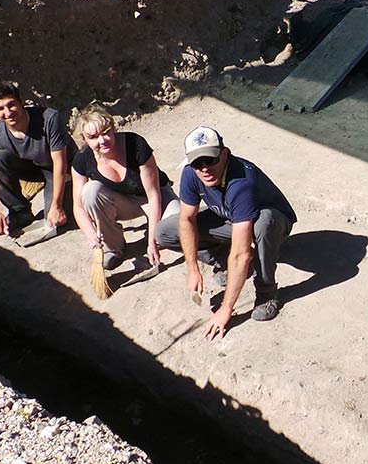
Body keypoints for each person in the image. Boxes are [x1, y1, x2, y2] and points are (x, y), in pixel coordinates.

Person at [154, 126, 295, 337]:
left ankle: (266, 291)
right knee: (164, 232)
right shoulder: (191, 174)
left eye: (210, 160)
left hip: (270, 221)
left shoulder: (241, 184)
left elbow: (241, 254)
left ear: (224, 154)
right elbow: (186, 219)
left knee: (264, 224)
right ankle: (225, 261)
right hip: (229, 218)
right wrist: (192, 267)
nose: (204, 169)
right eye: (197, 163)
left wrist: (226, 309)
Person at [70, 104, 177, 270]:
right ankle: (114, 247)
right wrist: (91, 234)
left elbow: (154, 195)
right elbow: (78, 206)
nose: (102, 140)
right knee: (90, 192)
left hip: (155, 197)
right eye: (93, 137)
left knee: (178, 227)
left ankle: (157, 231)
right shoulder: (82, 160)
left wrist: (152, 242)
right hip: (122, 203)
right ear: (84, 139)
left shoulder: (135, 144)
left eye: (106, 132)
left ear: (113, 128)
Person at [0, 82, 69, 236]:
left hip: (59, 169)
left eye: (11, 105)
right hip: (31, 169)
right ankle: (20, 212)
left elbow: (60, 163)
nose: (8, 112)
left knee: (55, 220)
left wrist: (57, 205)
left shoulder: (49, 119)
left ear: (20, 101)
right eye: (0, 109)